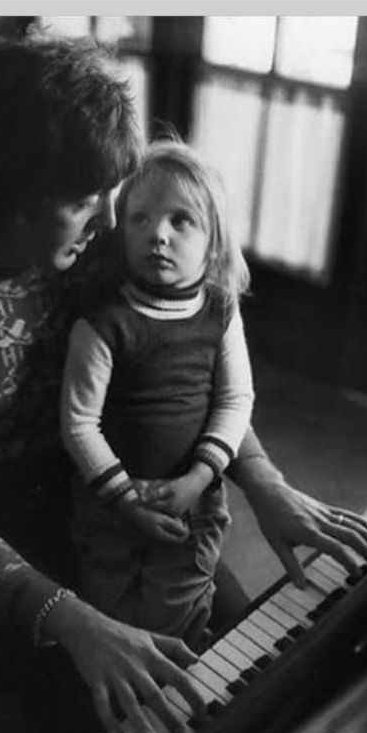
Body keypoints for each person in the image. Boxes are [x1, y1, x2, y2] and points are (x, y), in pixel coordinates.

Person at [0, 36, 367, 733]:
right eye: (86, 199)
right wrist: (78, 622)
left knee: (253, 668)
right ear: (6, 193)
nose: (114, 220)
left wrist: (263, 482)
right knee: (134, 730)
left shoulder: (94, 244)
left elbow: (189, 364)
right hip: (4, 539)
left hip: (120, 495)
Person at [61, 138, 254, 651]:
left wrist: (199, 476)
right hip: (110, 506)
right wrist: (124, 499)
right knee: (112, 615)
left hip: (189, 503)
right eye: (139, 219)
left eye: (180, 220)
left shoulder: (220, 310)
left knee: (177, 617)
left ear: (214, 240)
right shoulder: (104, 323)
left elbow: (235, 401)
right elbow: (79, 423)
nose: (157, 235)